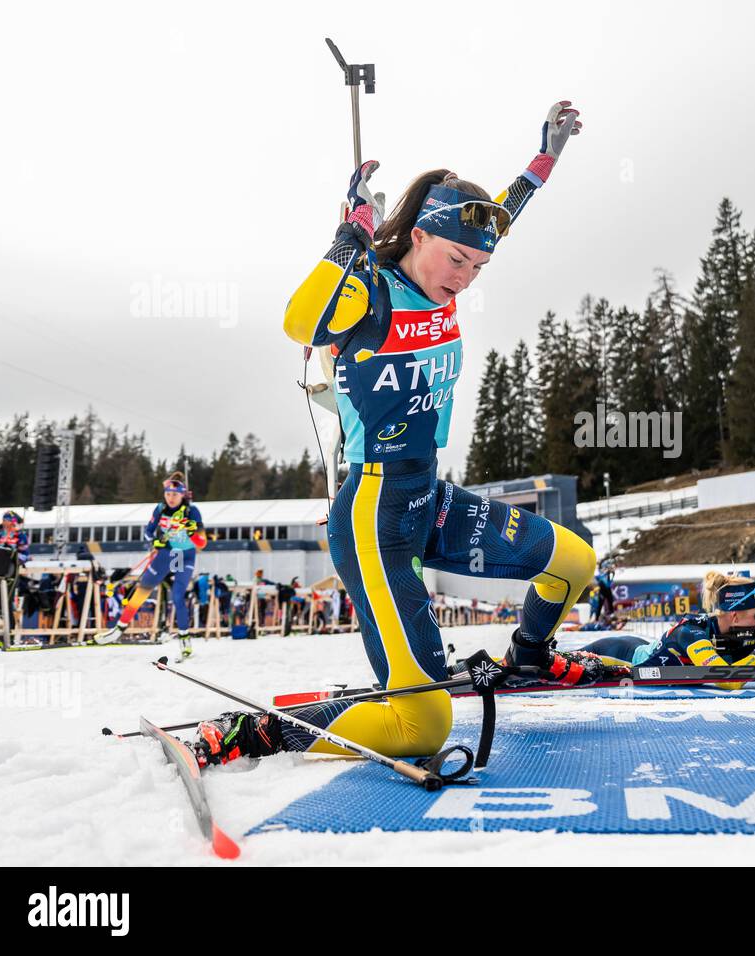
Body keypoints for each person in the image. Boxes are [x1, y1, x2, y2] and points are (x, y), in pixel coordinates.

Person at [188, 100, 604, 769]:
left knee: (574, 561)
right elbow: (301, 322)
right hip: (374, 516)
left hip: (428, 499)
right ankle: (259, 732)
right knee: (423, 725)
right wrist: (350, 233)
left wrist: (544, 160)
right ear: (416, 236)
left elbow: (499, 215)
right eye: (455, 260)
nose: (463, 278)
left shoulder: (447, 278)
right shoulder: (369, 293)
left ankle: (529, 659)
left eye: (477, 268)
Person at [578, 572, 755, 689]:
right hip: (618, 655)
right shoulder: (693, 631)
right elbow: (728, 680)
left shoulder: (740, 636)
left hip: (639, 647)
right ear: (734, 616)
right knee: (553, 668)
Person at [95, 473, 206, 655]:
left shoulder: (191, 512)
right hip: (165, 554)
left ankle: (185, 639)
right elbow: (148, 532)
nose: (171, 498)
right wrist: (155, 541)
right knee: (142, 590)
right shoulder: (160, 509)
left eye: (175, 495)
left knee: (177, 595)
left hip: (181, 556)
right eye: (168, 494)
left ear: (182, 495)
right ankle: (118, 630)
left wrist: (191, 531)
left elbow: (202, 543)